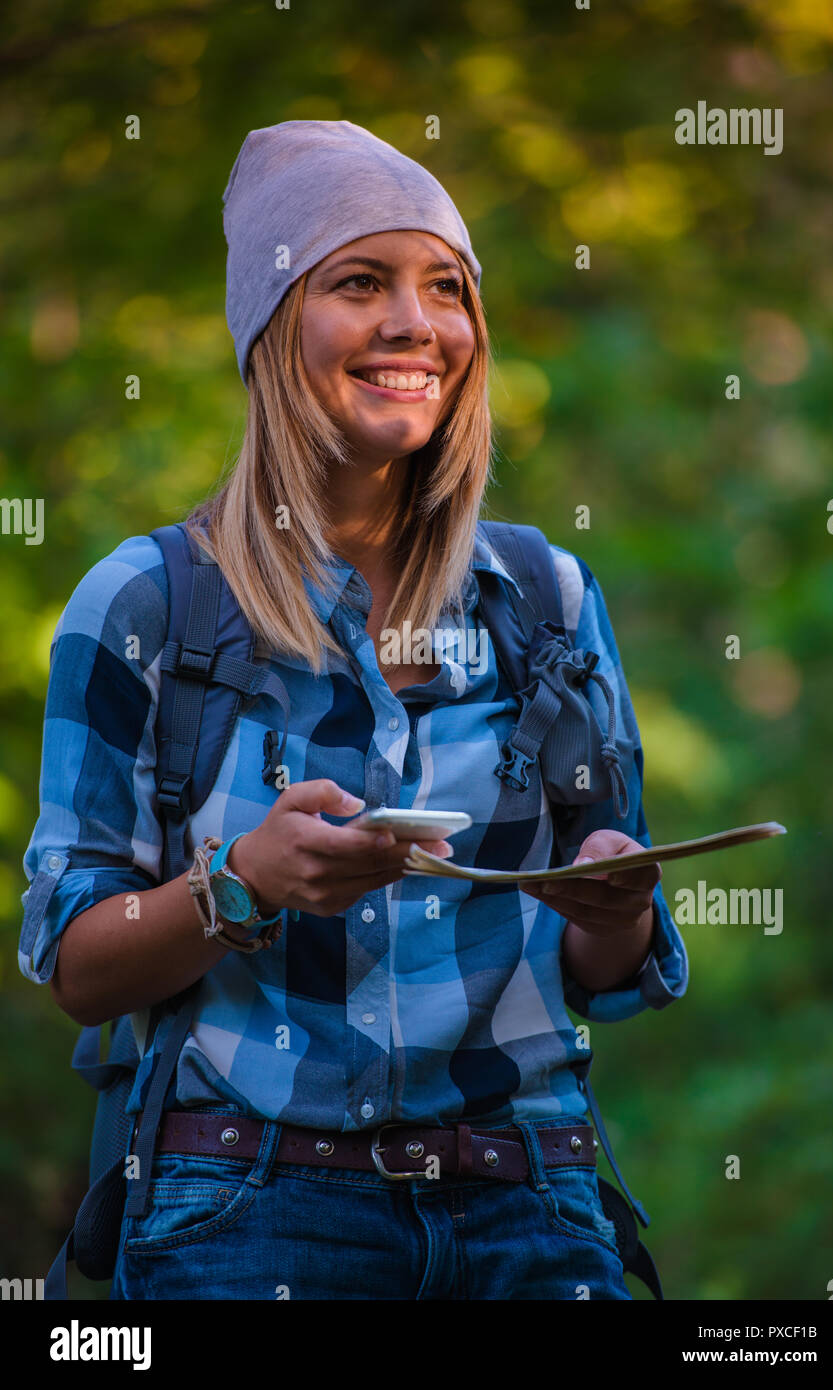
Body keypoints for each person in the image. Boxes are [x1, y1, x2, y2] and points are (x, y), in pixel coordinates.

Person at [19, 120, 688, 1301]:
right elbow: (76, 963)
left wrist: (614, 900)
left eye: (446, 288)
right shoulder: (146, 604)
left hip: (533, 1206)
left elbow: (607, 965)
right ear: (273, 330)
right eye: (359, 282)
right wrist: (241, 885)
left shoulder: (548, 599)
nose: (414, 325)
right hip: (247, 1213)